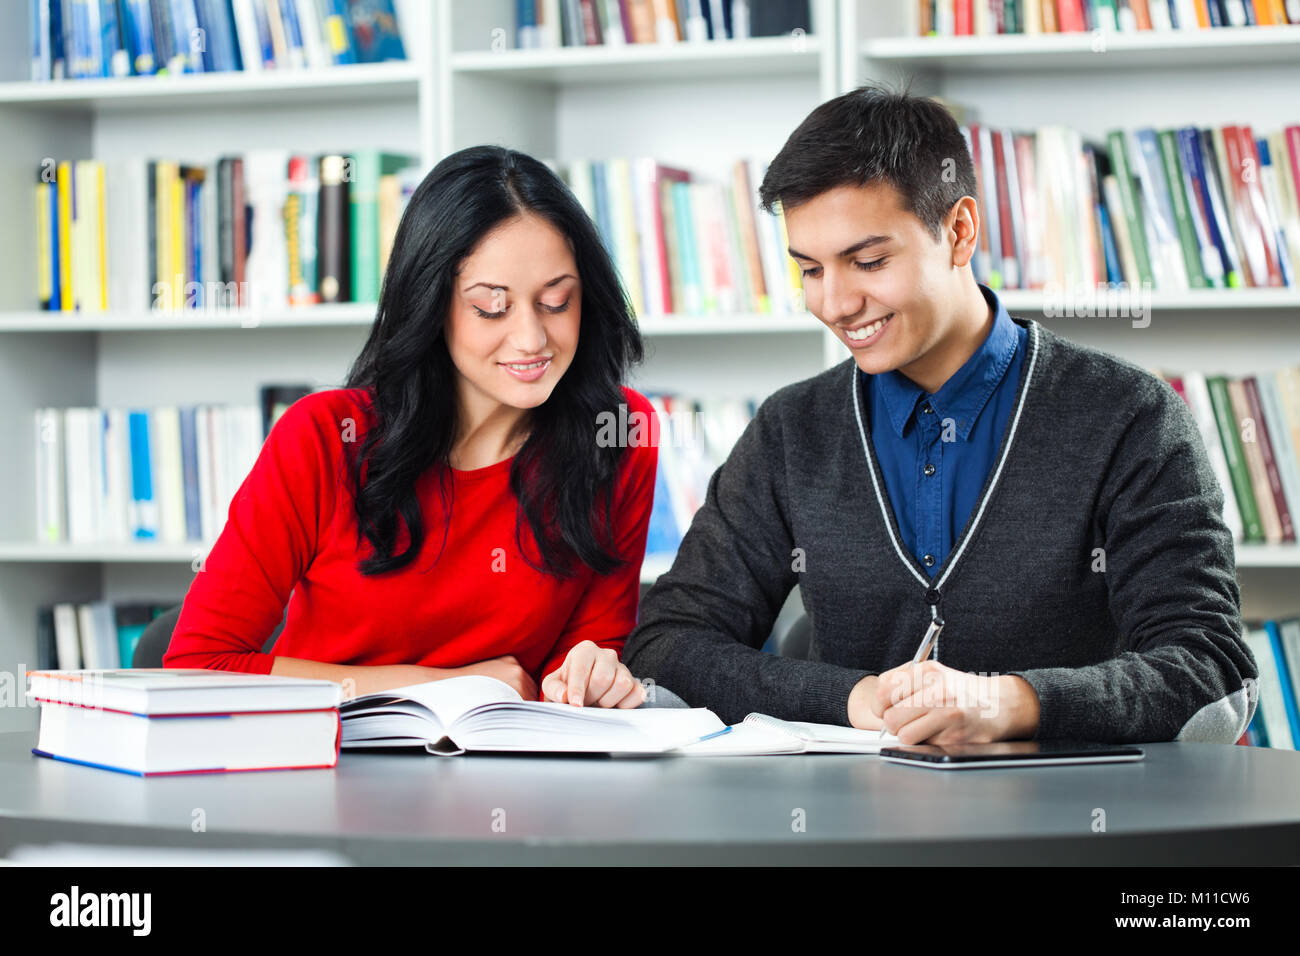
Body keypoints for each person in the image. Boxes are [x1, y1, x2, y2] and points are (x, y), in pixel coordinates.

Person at [622, 84, 1258, 744]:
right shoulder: (790, 431)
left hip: (1072, 828)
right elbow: (668, 646)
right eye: (809, 270)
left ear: (959, 232)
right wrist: (852, 697)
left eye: (867, 261)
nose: (835, 302)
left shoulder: (1130, 417)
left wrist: (1012, 703)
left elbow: (1211, 671)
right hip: (854, 831)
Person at [166, 145, 658, 710]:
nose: (531, 339)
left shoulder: (616, 434)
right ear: (431, 302)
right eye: (492, 307)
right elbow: (198, 666)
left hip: (511, 782)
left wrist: (593, 676)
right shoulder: (323, 438)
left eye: (556, 301)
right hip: (322, 773)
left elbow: (575, 680)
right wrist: (447, 687)